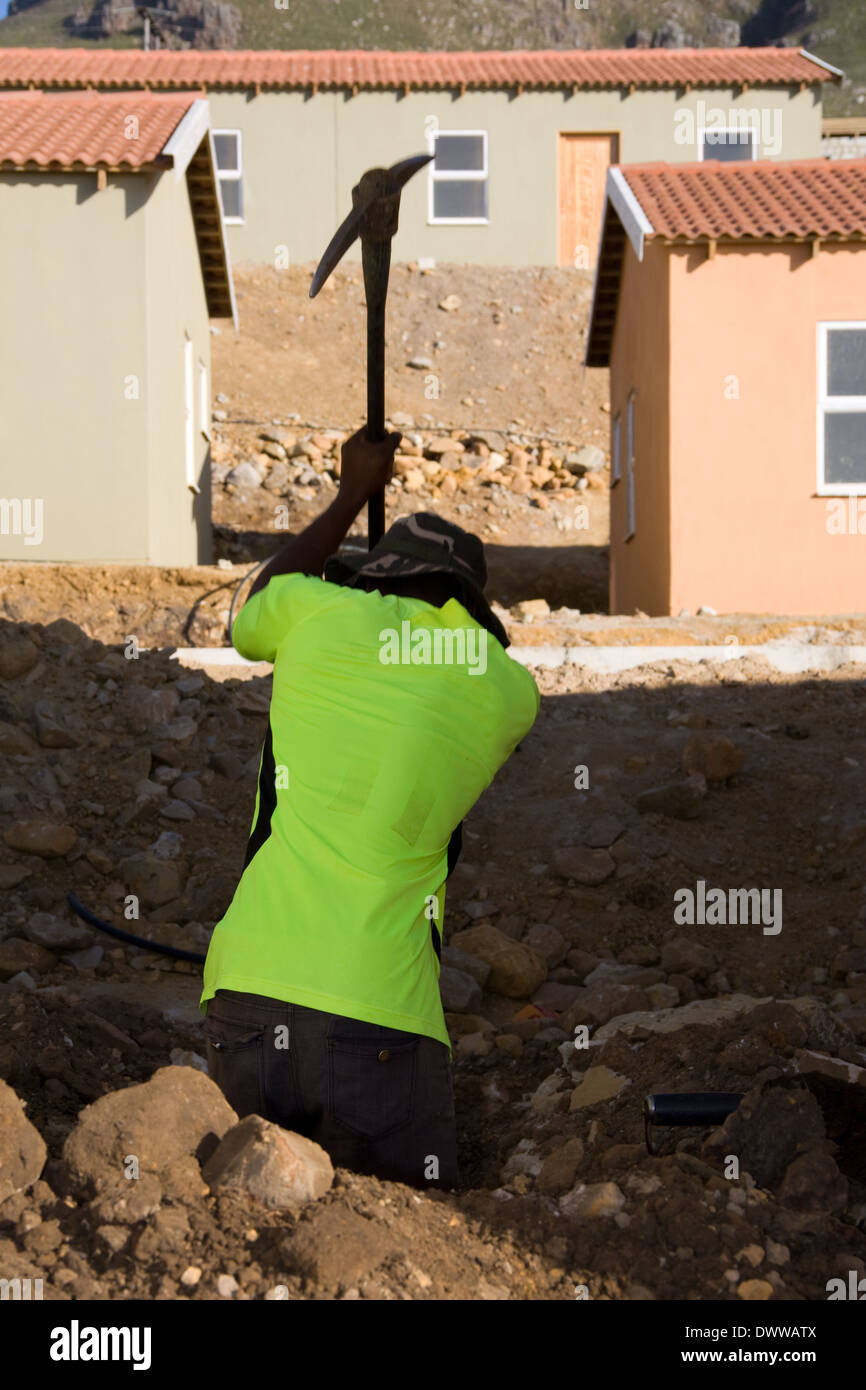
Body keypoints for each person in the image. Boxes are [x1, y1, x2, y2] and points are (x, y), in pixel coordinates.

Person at [200, 426, 539, 1189]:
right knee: (398, 1249)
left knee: (236, 1236)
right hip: (381, 1016)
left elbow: (253, 608)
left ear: (374, 579)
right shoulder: (507, 693)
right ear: (467, 605)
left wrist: (352, 494)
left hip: (248, 993)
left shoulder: (317, 616)